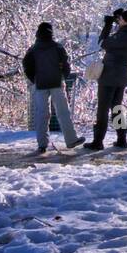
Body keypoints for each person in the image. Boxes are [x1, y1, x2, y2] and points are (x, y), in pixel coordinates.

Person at [23, 22, 85, 154]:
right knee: (63, 112)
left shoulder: (33, 49)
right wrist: (63, 76)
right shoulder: (58, 47)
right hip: (57, 83)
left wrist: (34, 79)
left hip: (40, 84)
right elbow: (66, 65)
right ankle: (71, 139)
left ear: (38, 33)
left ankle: (42, 145)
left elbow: (26, 65)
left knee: (42, 115)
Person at [85, 8, 127, 151]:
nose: (118, 21)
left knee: (103, 109)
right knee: (117, 107)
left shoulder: (122, 36)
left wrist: (107, 25)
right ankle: (122, 139)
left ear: (125, 21)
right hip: (123, 75)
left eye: (120, 19)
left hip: (110, 74)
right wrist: (117, 21)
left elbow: (103, 42)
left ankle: (98, 141)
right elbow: (116, 39)